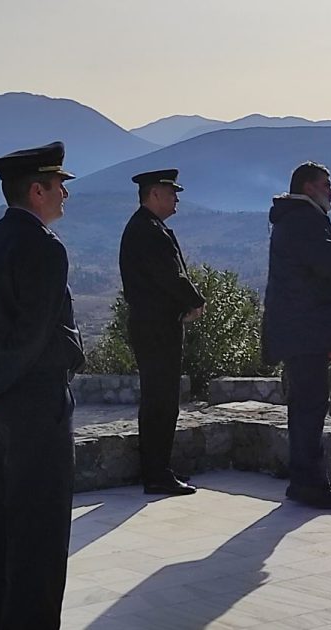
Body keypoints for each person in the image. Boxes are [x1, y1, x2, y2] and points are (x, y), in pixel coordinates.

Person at [0, 141, 85, 629]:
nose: (65, 193)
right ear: (36, 191)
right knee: (41, 521)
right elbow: (33, 332)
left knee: (3, 510)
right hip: (34, 400)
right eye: (59, 184)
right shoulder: (44, 247)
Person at [261, 161, 331, 509]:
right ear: (308, 187)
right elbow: (326, 262)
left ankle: (303, 480)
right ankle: (310, 483)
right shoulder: (304, 219)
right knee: (310, 408)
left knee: (303, 407)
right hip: (305, 331)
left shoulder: (293, 218)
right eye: (326, 184)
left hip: (299, 330)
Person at [118, 168, 205, 495]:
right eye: (171, 193)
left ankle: (157, 469)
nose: (176, 199)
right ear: (154, 194)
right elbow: (170, 276)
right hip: (156, 327)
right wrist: (196, 301)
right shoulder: (148, 231)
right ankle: (157, 473)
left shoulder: (147, 227)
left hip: (155, 325)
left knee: (160, 397)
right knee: (161, 400)